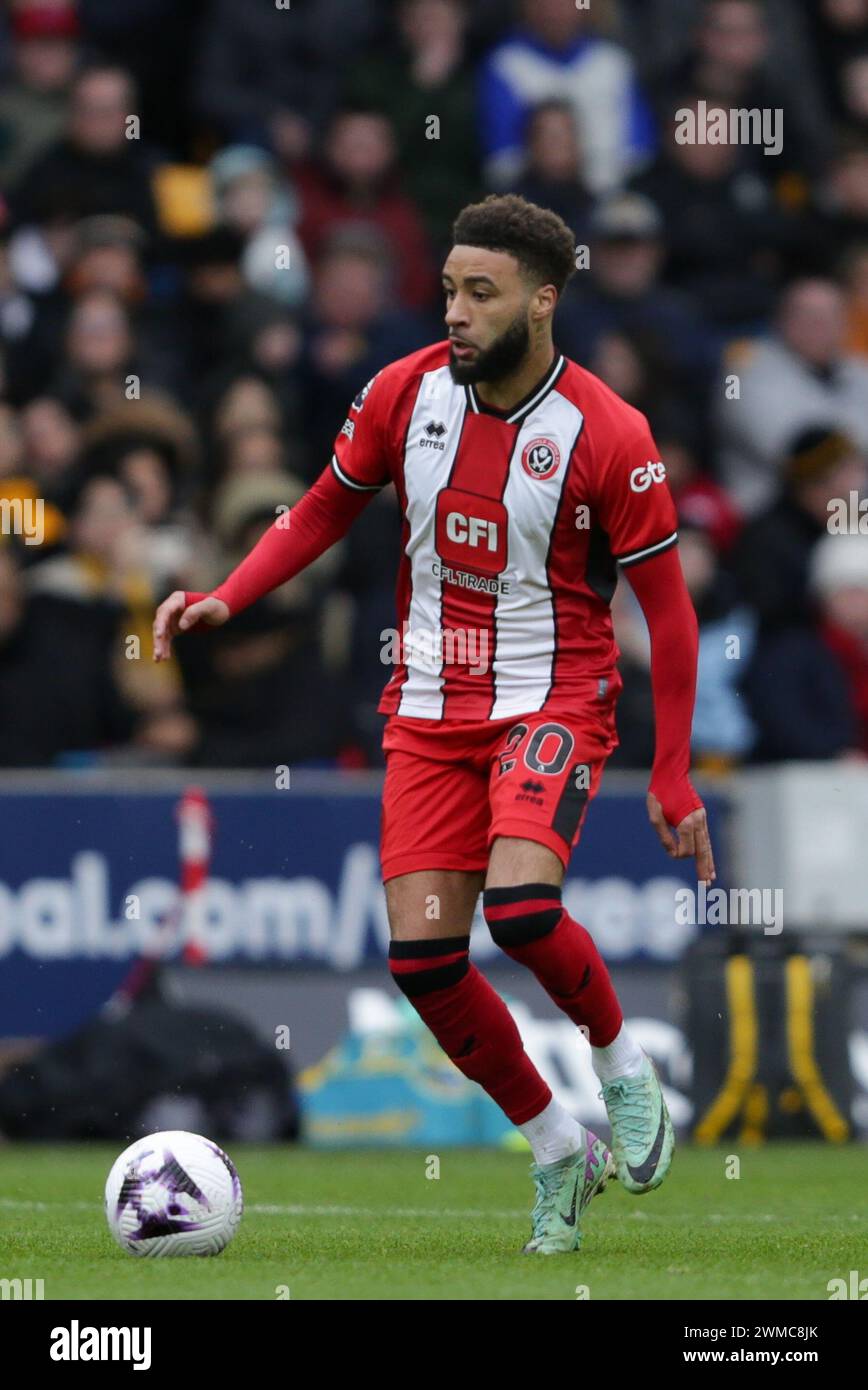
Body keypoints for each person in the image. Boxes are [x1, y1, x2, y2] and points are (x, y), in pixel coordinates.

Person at [153, 194, 714, 1255]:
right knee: (421, 963)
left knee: (523, 912)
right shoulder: (402, 392)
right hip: (424, 706)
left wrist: (672, 769)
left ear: (543, 302)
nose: (453, 311)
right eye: (450, 288)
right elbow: (321, 503)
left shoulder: (609, 434)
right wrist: (233, 590)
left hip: (553, 696)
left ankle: (619, 1062)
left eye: (480, 293)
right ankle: (556, 1147)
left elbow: (670, 611)